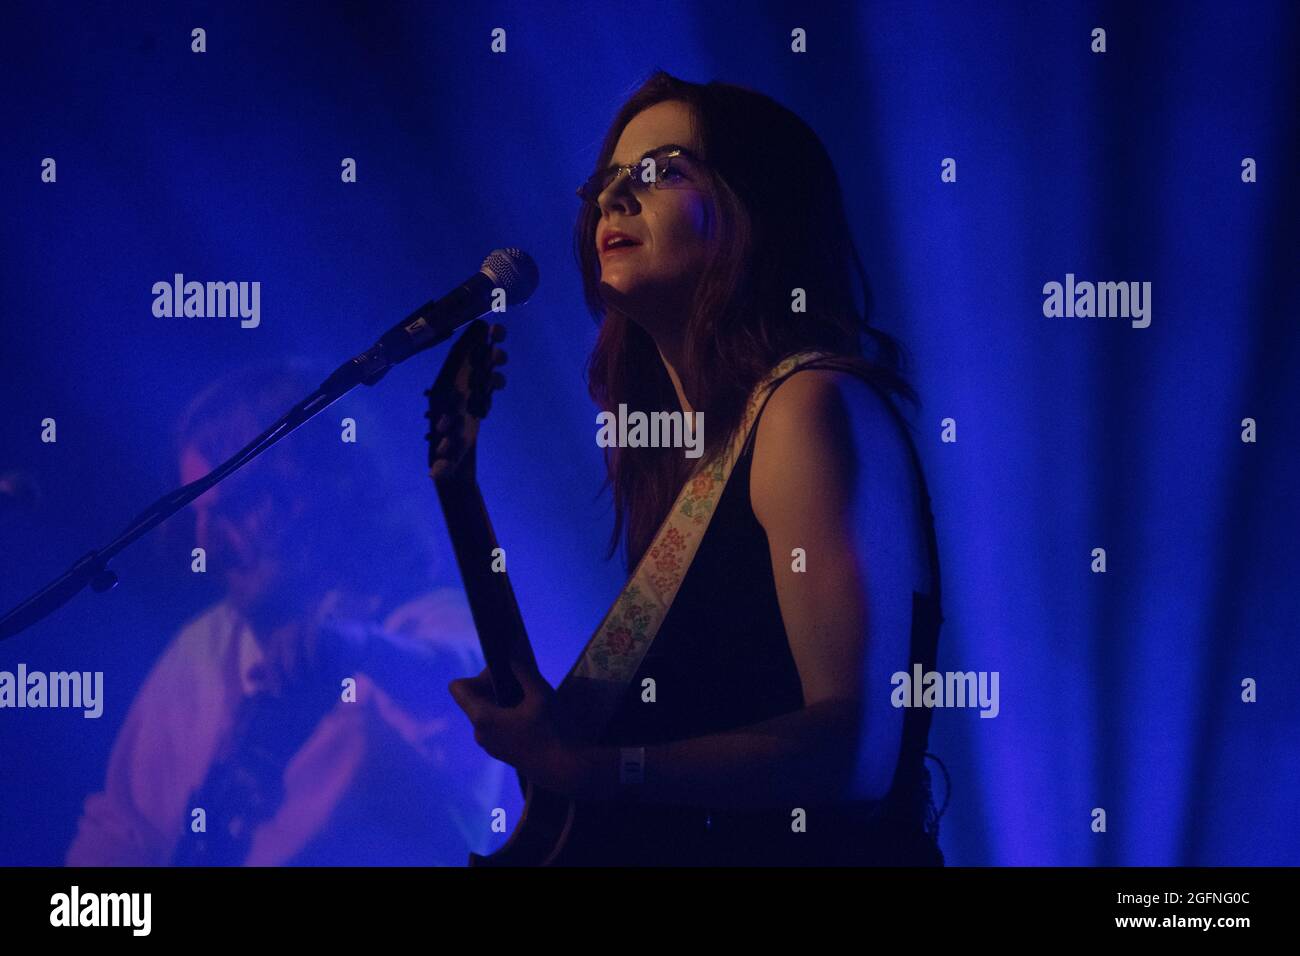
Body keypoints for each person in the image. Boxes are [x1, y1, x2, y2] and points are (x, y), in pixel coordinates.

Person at [441, 71, 947, 866]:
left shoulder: (808, 405)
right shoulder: (694, 465)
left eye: (662, 172)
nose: (613, 199)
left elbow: (851, 753)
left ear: (756, 211)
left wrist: (599, 769)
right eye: (606, 181)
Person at [67, 363, 503, 866]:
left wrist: (349, 649)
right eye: (200, 514)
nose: (208, 542)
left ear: (315, 494)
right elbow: (122, 832)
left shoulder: (422, 619)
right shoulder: (200, 648)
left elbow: (463, 685)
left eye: (236, 507)